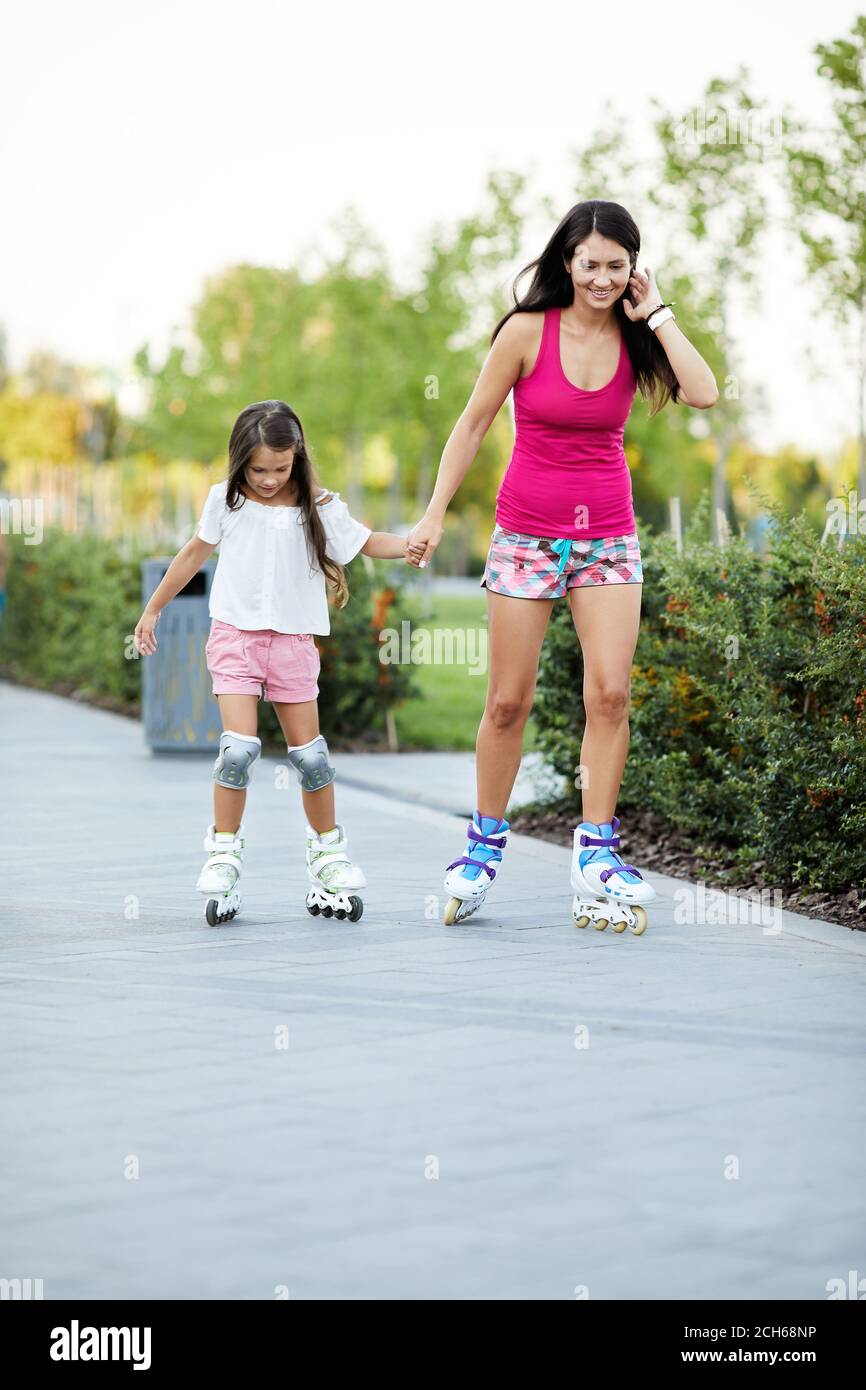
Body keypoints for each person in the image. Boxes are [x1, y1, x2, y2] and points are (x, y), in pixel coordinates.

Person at [404, 200, 719, 931]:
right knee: (506, 703)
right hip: (526, 534)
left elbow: (702, 392)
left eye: (618, 266)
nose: (603, 278)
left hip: (608, 537)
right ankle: (483, 846)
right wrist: (433, 512)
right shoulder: (525, 332)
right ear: (567, 262)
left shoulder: (638, 337)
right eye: (591, 264)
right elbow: (474, 420)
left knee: (609, 695)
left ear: (633, 269)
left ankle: (597, 850)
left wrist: (660, 312)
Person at [135, 399, 411, 925]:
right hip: (235, 637)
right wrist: (153, 611)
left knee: (311, 759)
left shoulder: (320, 506)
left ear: (297, 457)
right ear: (240, 460)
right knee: (237, 752)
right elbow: (194, 553)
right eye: (257, 469)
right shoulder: (226, 501)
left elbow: (365, 541)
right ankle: (223, 855)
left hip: (292, 644)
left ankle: (328, 855)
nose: (267, 479)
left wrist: (412, 544)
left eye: (279, 468)